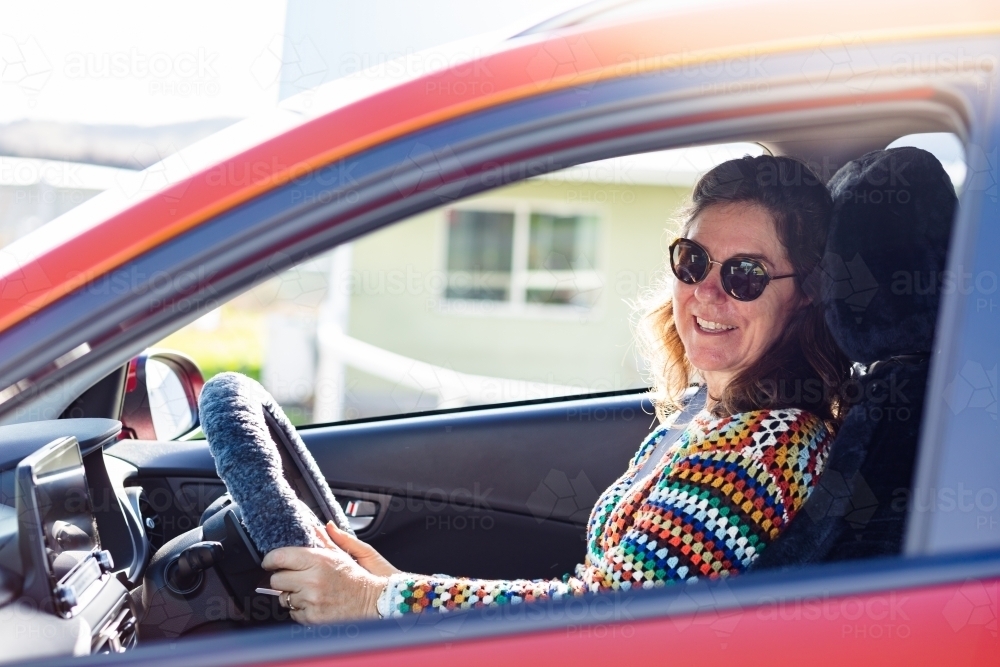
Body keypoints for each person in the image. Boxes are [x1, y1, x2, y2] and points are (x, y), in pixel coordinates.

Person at [262, 154, 851, 624]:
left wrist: (376, 602)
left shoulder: (767, 450)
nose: (707, 293)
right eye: (693, 260)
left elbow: (600, 617)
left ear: (804, 294)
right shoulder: (707, 417)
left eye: (744, 275)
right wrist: (393, 588)